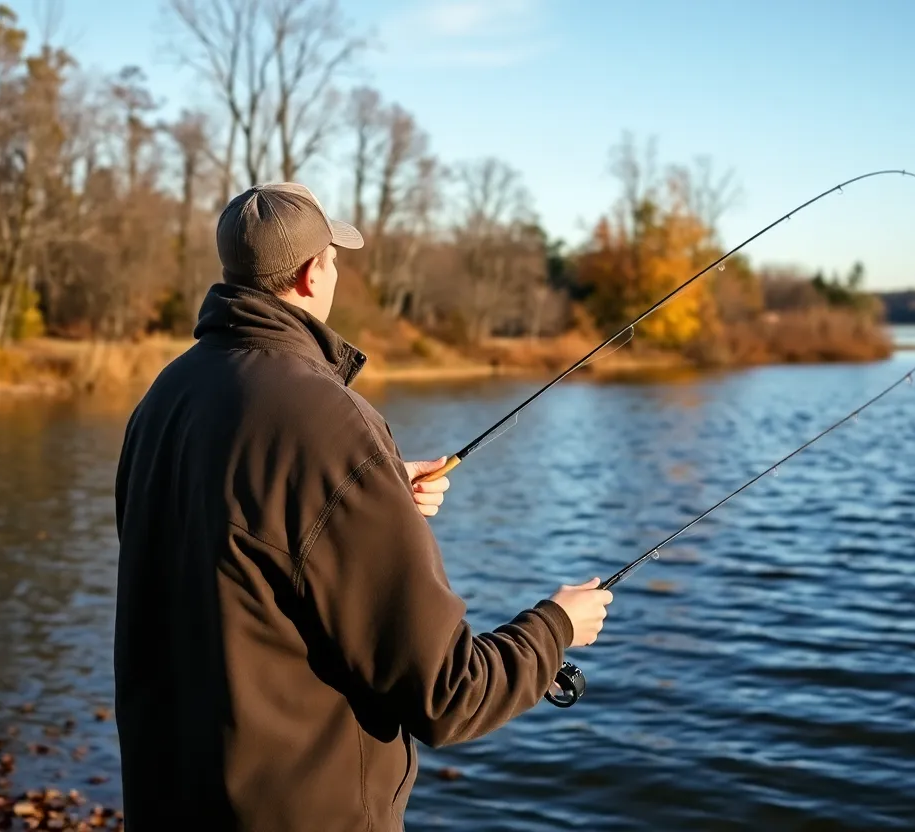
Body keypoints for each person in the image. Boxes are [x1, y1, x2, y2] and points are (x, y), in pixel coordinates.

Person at [112, 182, 614, 831]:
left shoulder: (164, 397)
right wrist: (556, 628)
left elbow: (241, 537)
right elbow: (447, 694)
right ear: (310, 272)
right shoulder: (329, 424)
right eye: (335, 258)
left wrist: (371, 491)